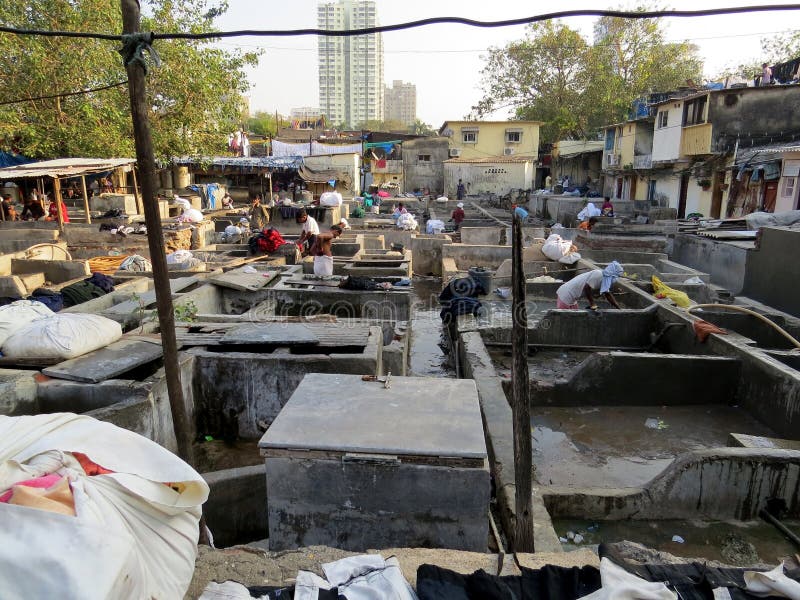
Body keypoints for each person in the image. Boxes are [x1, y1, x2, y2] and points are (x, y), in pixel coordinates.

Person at [555, 261, 624, 310]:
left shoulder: (605, 280)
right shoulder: (598, 274)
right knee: (566, 318)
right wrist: (592, 303)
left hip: (572, 297)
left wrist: (618, 307)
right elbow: (586, 288)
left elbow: (607, 294)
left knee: (574, 317)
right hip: (566, 294)